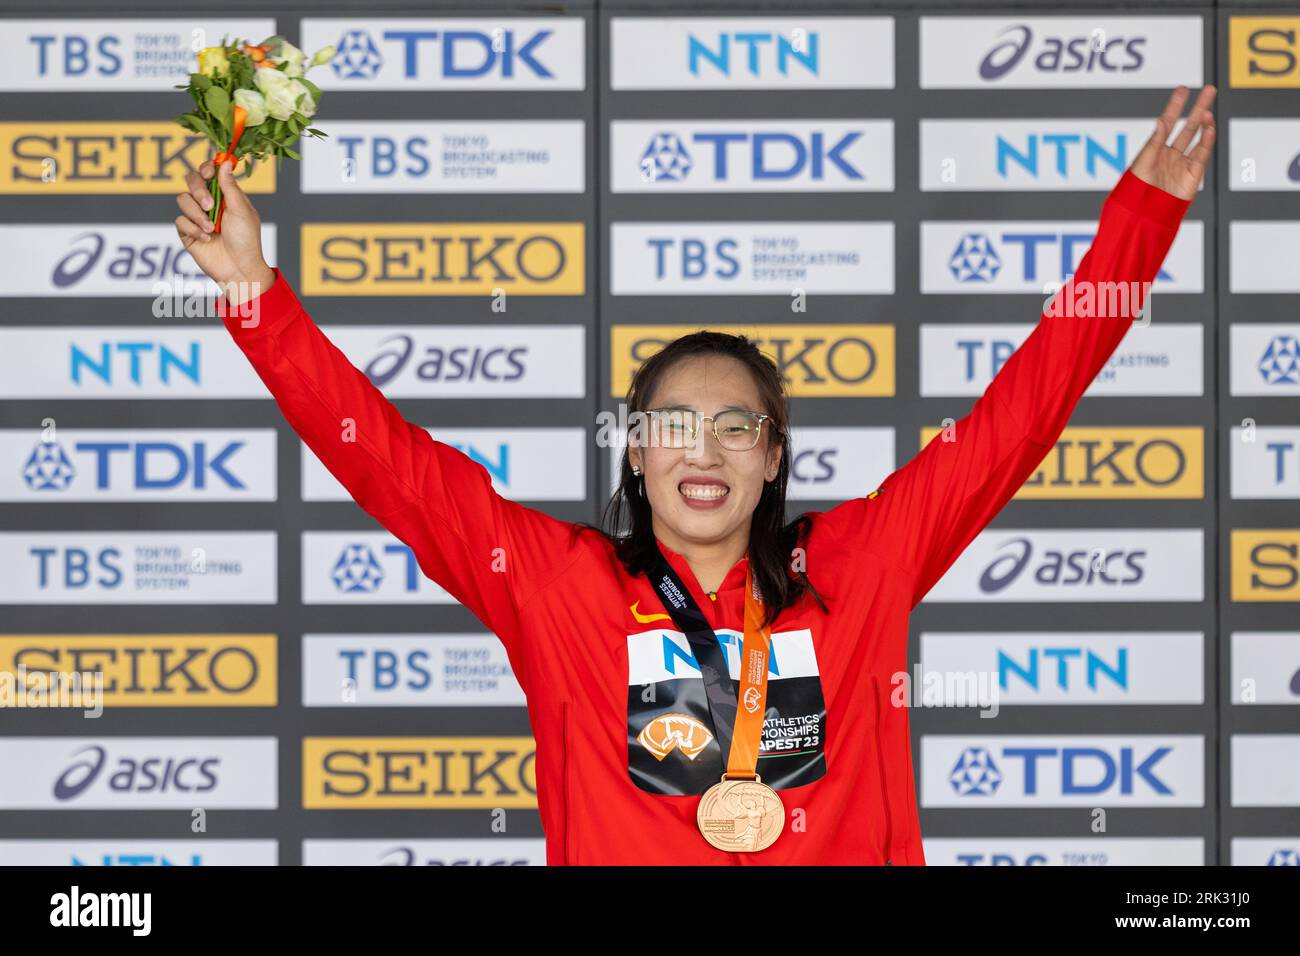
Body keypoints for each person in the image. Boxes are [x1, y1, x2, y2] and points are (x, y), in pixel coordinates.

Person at [174, 85, 1216, 865]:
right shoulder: (560, 584)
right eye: (672, 422)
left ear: (772, 455)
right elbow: (385, 460)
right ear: (635, 448)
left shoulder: (857, 562)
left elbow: (1020, 415)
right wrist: (257, 295)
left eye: (733, 426)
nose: (702, 449)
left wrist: (1139, 228)